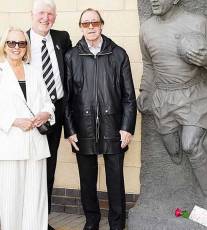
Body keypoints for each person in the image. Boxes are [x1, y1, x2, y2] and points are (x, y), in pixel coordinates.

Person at [137, 0, 207, 217]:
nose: (153, 1)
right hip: (163, 98)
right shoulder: (146, 29)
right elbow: (148, 65)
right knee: (174, 151)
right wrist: (145, 91)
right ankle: (179, 187)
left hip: (194, 96)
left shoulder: (199, 23)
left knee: (190, 145)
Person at [64, 8, 137, 230]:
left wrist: (127, 127)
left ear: (102, 24)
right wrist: (69, 129)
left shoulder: (118, 54)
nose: (91, 27)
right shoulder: (71, 56)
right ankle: (91, 221)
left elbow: (129, 96)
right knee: (87, 181)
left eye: (94, 22)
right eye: (85, 23)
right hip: (82, 127)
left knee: (115, 180)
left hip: (113, 126)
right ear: (80, 27)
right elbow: (66, 98)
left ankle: (117, 224)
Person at [0, 27, 55, 230]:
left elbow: (49, 103)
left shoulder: (34, 72)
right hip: (9, 146)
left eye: (21, 43)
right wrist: (14, 121)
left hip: (35, 145)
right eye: (11, 43)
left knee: (35, 200)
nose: (16, 47)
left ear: (26, 47)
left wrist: (45, 114)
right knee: (10, 200)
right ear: (4, 46)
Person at [27, 1, 72, 227]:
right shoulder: (20, 41)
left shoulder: (62, 38)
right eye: (41, 13)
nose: (46, 18)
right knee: (29, 171)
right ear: (32, 15)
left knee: (48, 170)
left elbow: (70, 73)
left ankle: (42, 221)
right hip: (30, 120)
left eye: (50, 14)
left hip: (55, 117)